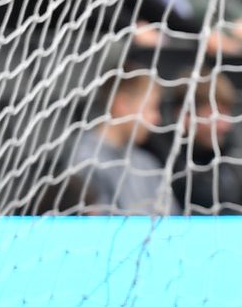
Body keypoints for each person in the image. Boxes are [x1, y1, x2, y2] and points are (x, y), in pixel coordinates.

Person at [66, 68, 170, 215]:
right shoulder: (84, 160)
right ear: (121, 104)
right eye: (151, 108)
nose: (156, 118)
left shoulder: (146, 163)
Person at [161, 71, 242, 214]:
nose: (226, 125)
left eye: (227, 113)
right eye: (217, 114)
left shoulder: (229, 155)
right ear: (186, 115)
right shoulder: (156, 157)